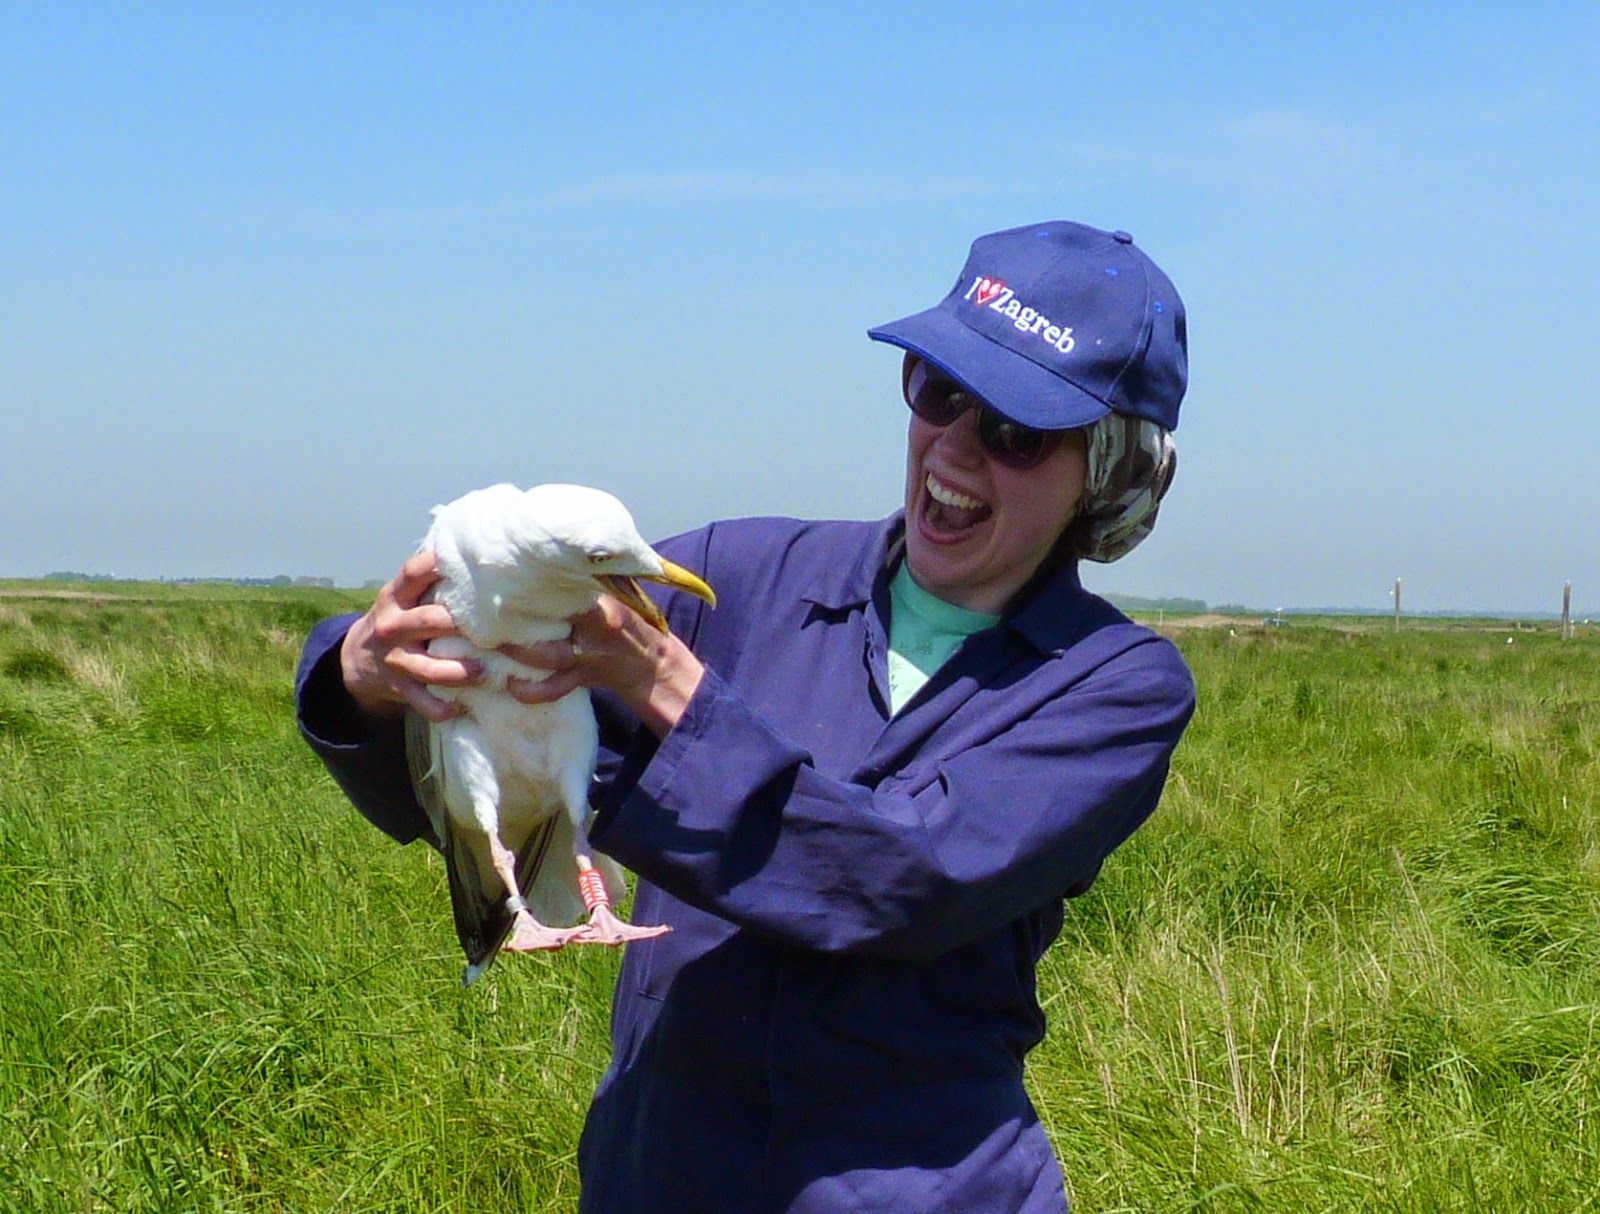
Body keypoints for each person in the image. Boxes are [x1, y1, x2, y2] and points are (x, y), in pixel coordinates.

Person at [295, 219, 1195, 1213]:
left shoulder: (1112, 686)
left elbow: (903, 880)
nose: (956, 447)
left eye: (1016, 431)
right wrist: (373, 675)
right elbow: (487, 749)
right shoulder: (744, 571)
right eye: (938, 391)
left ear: (1108, 473)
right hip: (662, 1176)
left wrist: (669, 691)